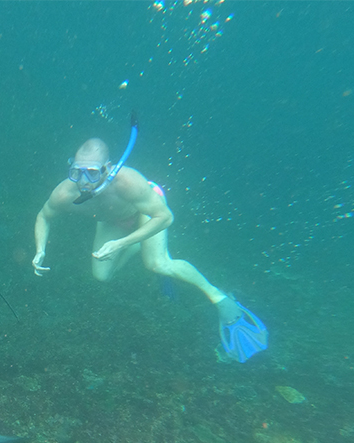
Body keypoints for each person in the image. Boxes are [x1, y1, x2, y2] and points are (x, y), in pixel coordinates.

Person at [31, 133, 268, 362]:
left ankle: (220, 298)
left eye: (92, 173)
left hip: (146, 210)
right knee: (102, 276)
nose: (83, 181)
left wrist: (121, 243)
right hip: (111, 220)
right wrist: (40, 249)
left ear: (107, 168)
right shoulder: (65, 192)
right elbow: (44, 215)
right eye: (76, 172)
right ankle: (139, 245)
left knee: (158, 263)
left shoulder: (129, 183)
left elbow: (165, 217)